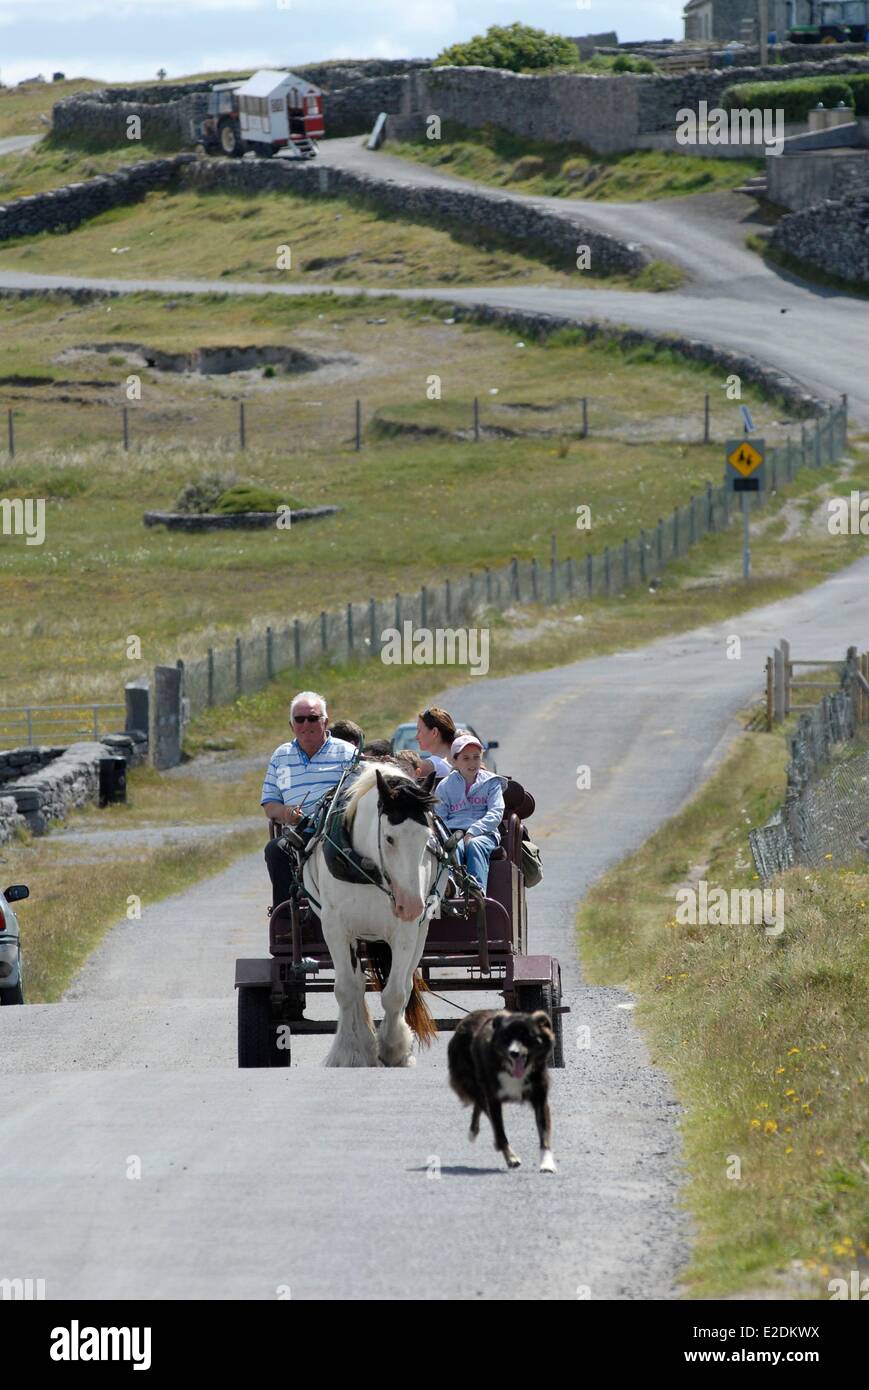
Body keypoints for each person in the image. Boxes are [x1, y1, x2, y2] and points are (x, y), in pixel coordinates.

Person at [262, 690, 356, 910]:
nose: (306, 724)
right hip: (300, 834)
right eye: (300, 719)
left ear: (325, 722)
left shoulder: (347, 753)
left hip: (340, 831)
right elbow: (270, 805)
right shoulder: (281, 756)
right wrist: (285, 813)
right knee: (275, 850)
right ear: (291, 724)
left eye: (313, 718)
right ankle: (287, 918)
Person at [435, 733, 504, 893]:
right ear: (454, 760)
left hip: (485, 834)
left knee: (474, 844)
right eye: (466, 758)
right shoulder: (444, 786)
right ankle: (451, 885)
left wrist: (473, 831)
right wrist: (452, 836)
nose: (472, 763)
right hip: (453, 834)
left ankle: (476, 889)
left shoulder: (492, 782)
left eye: (476, 757)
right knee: (454, 847)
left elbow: (496, 812)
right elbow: (440, 817)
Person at [416, 706, 457, 780]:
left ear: (434, 732)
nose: (416, 737)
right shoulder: (462, 759)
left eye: (419, 731)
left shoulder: (429, 765)